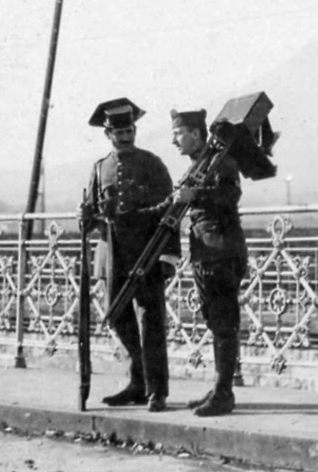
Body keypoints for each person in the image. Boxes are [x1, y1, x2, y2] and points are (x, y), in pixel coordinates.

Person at [82, 98, 178, 412]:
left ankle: (156, 390)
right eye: (118, 133)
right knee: (117, 318)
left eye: (129, 131)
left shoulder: (152, 164)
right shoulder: (100, 168)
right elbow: (93, 213)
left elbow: (172, 211)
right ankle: (137, 383)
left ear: (135, 130)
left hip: (146, 253)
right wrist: (86, 219)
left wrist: (168, 257)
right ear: (107, 134)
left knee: (151, 321)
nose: (125, 137)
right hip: (113, 257)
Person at [167, 108, 247, 417]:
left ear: (197, 134)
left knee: (225, 324)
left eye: (178, 133)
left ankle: (224, 394)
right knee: (216, 323)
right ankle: (219, 387)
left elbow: (230, 195)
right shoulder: (196, 166)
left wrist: (194, 193)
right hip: (205, 254)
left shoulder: (220, 161)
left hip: (222, 253)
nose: (174, 140)